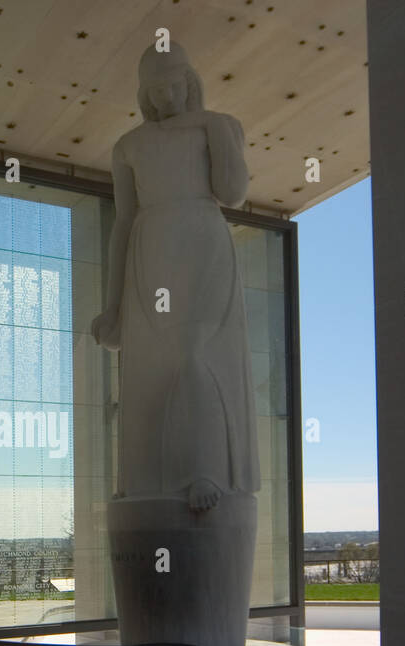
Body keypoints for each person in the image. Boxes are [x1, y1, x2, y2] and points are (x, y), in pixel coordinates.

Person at [90, 41, 260, 512]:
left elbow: (233, 192)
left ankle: (203, 469)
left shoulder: (215, 125)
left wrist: (220, 132)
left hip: (202, 243)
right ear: (144, 93)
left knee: (194, 351)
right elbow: (123, 222)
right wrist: (114, 307)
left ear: (189, 81)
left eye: (173, 85)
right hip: (150, 250)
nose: (166, 98)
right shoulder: (128, 146)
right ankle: (146, 479)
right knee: (150, 366)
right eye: (155, 89)